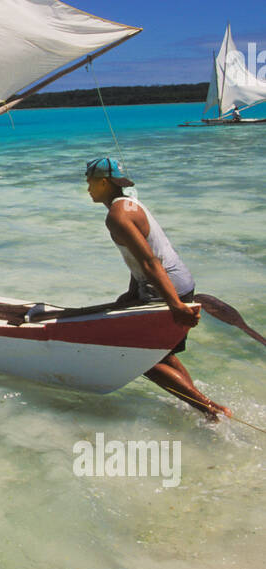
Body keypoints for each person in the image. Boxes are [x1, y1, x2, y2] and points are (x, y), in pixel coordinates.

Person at [85, 155, 230, 420]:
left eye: (90, 182)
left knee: (136, 355)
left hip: (165, 288)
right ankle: (204, 406)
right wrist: (131, 295)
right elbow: (143, 258)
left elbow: (150, 262)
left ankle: (209, 409)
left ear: (104, 182)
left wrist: (174, 304)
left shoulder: (117, 216)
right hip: (175, 282)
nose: (88, 189)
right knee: (162, 353)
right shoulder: (129, 204)